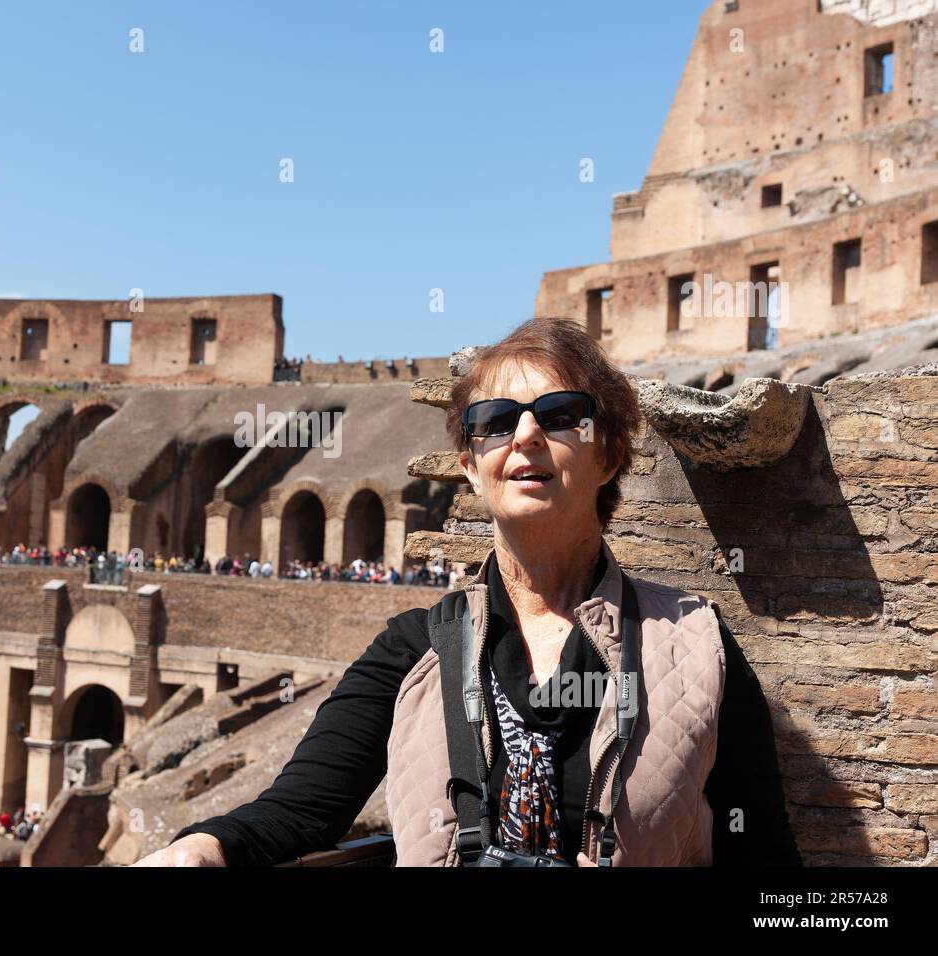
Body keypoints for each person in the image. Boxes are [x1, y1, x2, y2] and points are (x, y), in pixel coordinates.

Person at [136, 317, 801, 868]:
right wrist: (203, 846)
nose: (526, 435)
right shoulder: (411, 651)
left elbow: (766, 862)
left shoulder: (696, 642)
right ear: (470, 468)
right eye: (495, 420)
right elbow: (302, 810)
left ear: (609, 455)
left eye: (562, 414)